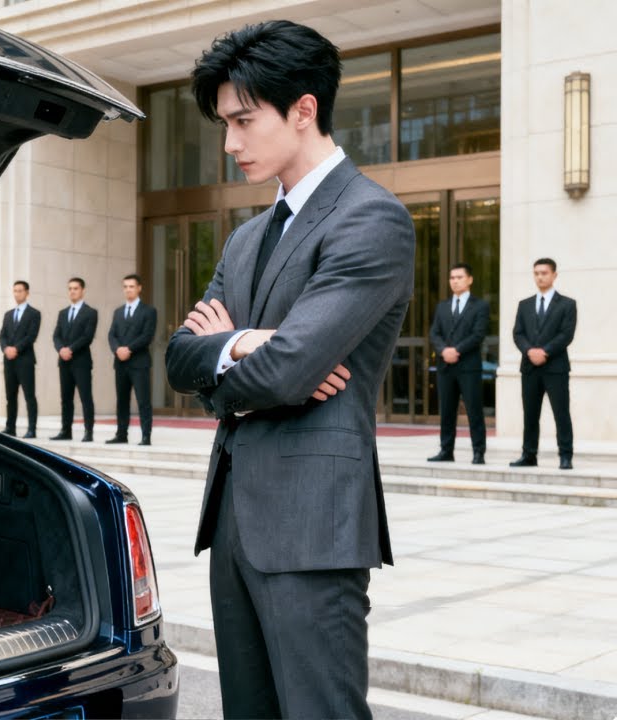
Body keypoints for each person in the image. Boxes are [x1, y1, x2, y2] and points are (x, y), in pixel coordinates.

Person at [164, 20, 414, 719]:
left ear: (304, 110)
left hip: (313, 525)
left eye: (243, 120)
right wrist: (246, 344)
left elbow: (292, 370)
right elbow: (180, 356)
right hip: (234, 521)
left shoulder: (370, 219)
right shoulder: (247, 238)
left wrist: (248, 356)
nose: (230, 143)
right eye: (223, 124)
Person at [510, 258, 577, 469]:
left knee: (561, 413)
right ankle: (529, 454)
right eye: (536, 273)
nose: (540, 276)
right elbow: (518, 333)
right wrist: (529, 351)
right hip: (530, 367)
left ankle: (565, 455)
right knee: (530, 414)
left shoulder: (567, 304)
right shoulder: (524, 305)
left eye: (544, 273)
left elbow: (566, 334)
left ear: (554, 275)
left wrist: (545, 352)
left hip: (555, 367)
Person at [427, 263, 490, 464]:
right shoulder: (442, 306)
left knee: (474, 410)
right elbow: (434, 332)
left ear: (469, 279)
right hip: (446, 367)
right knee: (446, 410)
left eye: (459, 277)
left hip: (468, 366)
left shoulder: (480, 306)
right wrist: (443, 350)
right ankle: (446, 450)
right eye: (452, 277)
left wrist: (457, 350)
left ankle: (478, 452)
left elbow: (478, 334)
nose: (455, 281)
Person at [107, 274, 156, 445]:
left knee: (143, 401)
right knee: (122, 401)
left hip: (139, 363)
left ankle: (146, 436)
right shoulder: (118, 312)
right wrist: (117, 349)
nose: (128, 289)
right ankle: (121, 434)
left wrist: (129, 349)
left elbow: (147, 335)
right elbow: (112, 334)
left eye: (131, 286)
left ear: (139, 288)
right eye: (125, 286)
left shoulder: (149, 311)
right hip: (120, 363)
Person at [51, 277, 98, 442]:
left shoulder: (91, 312)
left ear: (82, 290)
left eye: (75, 288)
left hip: (81, 361)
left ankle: (88, 432)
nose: (72, 291)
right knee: (66, 398)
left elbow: (87, 336)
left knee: (85, 397)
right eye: (70, 288)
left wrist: (70, 349)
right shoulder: (62, 313)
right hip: (64, 362)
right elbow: (56, 335)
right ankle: (66, 430)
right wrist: (61, 349)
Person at [0, 280, 41, 438]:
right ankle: (10, 427)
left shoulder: (34, 313)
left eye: (20, 291)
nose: (17, 293)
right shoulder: (8, 314)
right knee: (10, 396)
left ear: (27, 293)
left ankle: (32, 429)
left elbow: (31, 336)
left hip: (25, 360)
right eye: (15, 291)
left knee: (29, 395)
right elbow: (2, 335)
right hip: (9, 361)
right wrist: (6, 348)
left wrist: (16, 349)